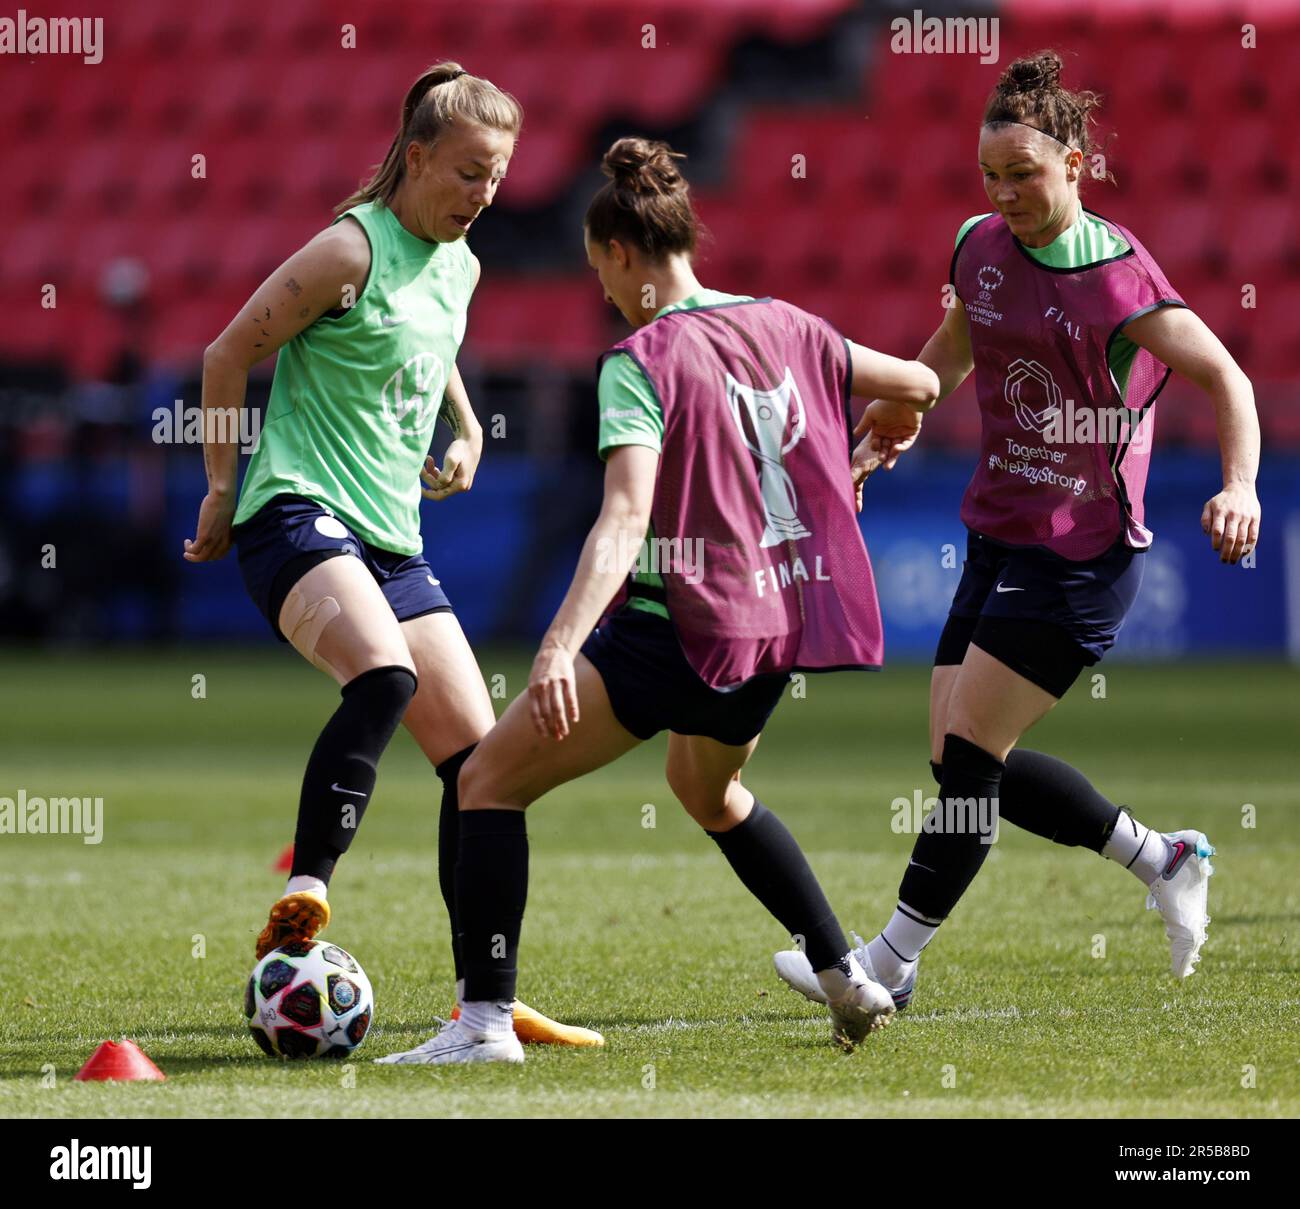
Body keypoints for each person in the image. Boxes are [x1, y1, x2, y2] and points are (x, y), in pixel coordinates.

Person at [375, 136, 940, 1066]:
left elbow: (625, 516)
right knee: (707, 790)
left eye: (600, 269)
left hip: (669, 628)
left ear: (624, 254)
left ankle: (482, 1024)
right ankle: (846, 974)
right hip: (772, 629)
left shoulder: (640, 361)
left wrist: (558, 645)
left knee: (485, 783)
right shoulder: (786, 324)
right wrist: (887, 425)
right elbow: (918, 382)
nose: (601, 289)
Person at [775, 51, 1260, 1013]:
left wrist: (1239, 483)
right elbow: (950, 354)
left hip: (1083, 553)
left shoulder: (1121, 279)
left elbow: (1230, 379)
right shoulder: (978, 246)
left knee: (966, 759)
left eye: (1025, 174)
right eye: (991, 177)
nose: (1007, 194)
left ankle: (889, 962)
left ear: (1074, 163)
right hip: (998, 530)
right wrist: (889, 428)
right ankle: (1163, 857)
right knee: (960, 761)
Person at [184, 61, 600, 1048]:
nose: (484, 195)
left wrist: (466, 428)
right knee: (383, 677)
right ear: (415, 158)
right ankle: (306, 892)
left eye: (496, 177)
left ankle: (483, 1006)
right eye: (468, 173)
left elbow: (434, 339)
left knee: (487, 768)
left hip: (390, 542)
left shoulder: (460, 265)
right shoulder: (343, 250)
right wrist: (216, 488)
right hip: (294, 516)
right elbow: (224, 353)